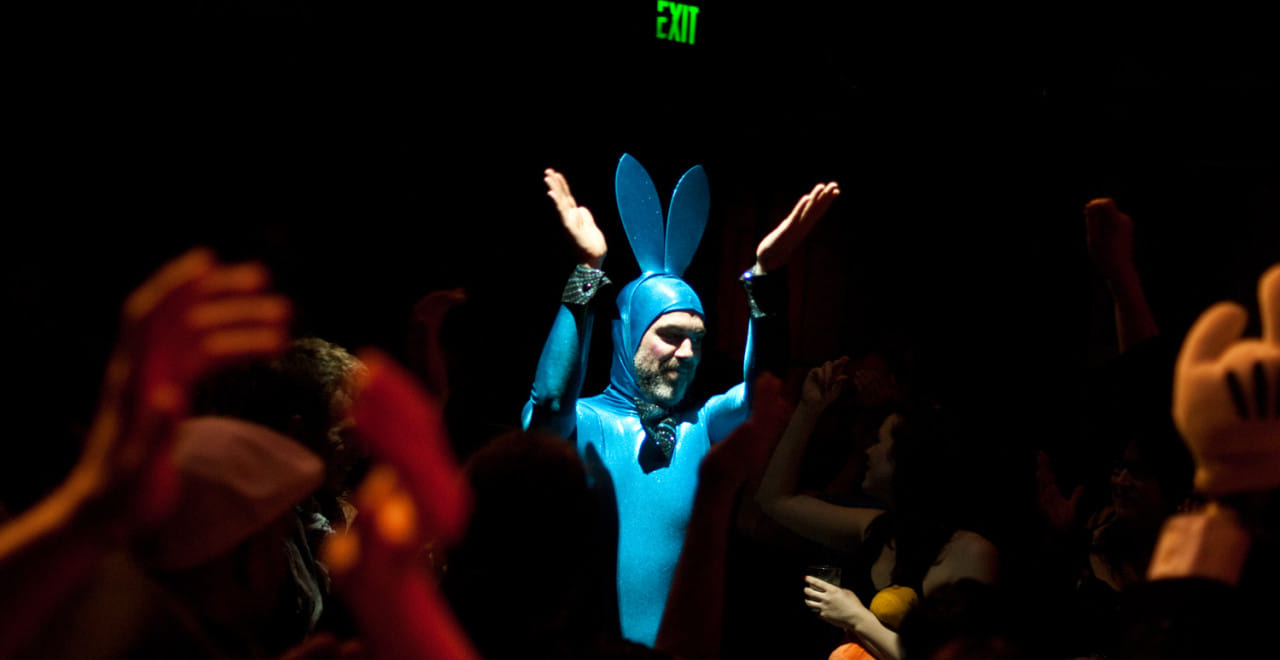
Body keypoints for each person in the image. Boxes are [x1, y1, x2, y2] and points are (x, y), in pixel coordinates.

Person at [522, 154, 839, 645]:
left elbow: (766, 392)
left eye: (697, 338)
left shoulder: (701, 425)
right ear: (626, 334)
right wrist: (587, 271)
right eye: (669, 334)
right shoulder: (584, 421)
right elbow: (550, 400)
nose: (687, 351)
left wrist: (764, 277)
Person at [757, 358, 999, 660]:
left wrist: (857, 617)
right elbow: (774, 500)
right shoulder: (877, 529)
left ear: (908, 459)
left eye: (880, 442)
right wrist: (809, 410)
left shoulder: (971, 551)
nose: (869, 451)